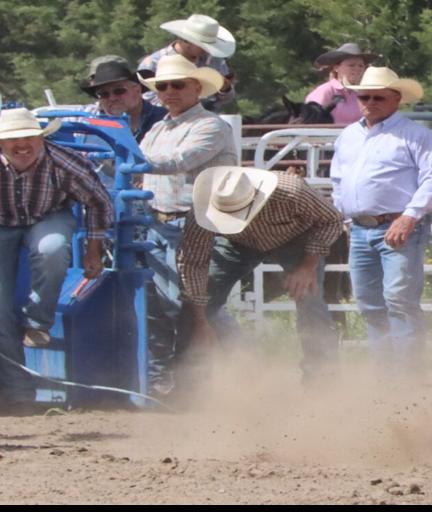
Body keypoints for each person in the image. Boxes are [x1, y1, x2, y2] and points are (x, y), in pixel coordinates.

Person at [0, 110, 114, 412]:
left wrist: (93, 250)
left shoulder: (65, 161)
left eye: (28, 137)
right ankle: (18, 394)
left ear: (41, 138)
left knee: (52, 248)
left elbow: (99, 201)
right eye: (12, 140)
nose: (22, 145)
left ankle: (38, 322)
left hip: (46, 216)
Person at [330, 67, 432, 372]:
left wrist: (409, 217)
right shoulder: (349, 135)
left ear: (396, 98)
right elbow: (338, 180)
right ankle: (385, 373)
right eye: (364, 96)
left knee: (398, 300)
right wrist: (344, 215)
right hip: (360, 228)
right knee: (369, 303)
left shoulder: (416, 135)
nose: (370, 101)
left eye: (378, 97)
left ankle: (406, 377)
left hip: (398, 226)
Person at [181, 166, 346, 382]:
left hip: (296, 240)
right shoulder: (201, 212)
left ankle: (322, 376)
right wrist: (201, 320)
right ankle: (223, 367)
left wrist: (308, 266)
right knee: (199, 302)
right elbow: (193, 262)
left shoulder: (290, 190)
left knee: (309, 298)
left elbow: (332, 220)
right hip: (235, 241)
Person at [137, 54, 239, 398]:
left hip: (195, 224)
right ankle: (227, 370)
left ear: (197, 87)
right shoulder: (157, 128)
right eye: (162, 86)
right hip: (159, 223)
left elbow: (180, 162)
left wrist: (125, 159)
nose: (169, 91)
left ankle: (235, 363)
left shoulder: (212, 126)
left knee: (191, 302)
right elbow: (143, 173)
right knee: (179, 302)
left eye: (177, 85)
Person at [138, 13, 236, 113]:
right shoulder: (153, 63)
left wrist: (225, 89)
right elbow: (146, 100)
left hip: (206, 117)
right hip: (165, 120)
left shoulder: (215, 61)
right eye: (202, 46)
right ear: (186, 41)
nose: (207, 50)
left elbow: (227, 98)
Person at [81, 56, 167, 141]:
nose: (112, 98)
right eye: (104, 94)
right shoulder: (95, 128)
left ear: (137, 89)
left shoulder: (164, 119)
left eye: (119, 91)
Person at [307, 43, 379, 126]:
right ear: (336, 68)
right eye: (351, 65)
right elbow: (311, 122)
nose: (357, 69)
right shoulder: (325, 91)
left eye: (361, 66)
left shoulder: (359, 94)